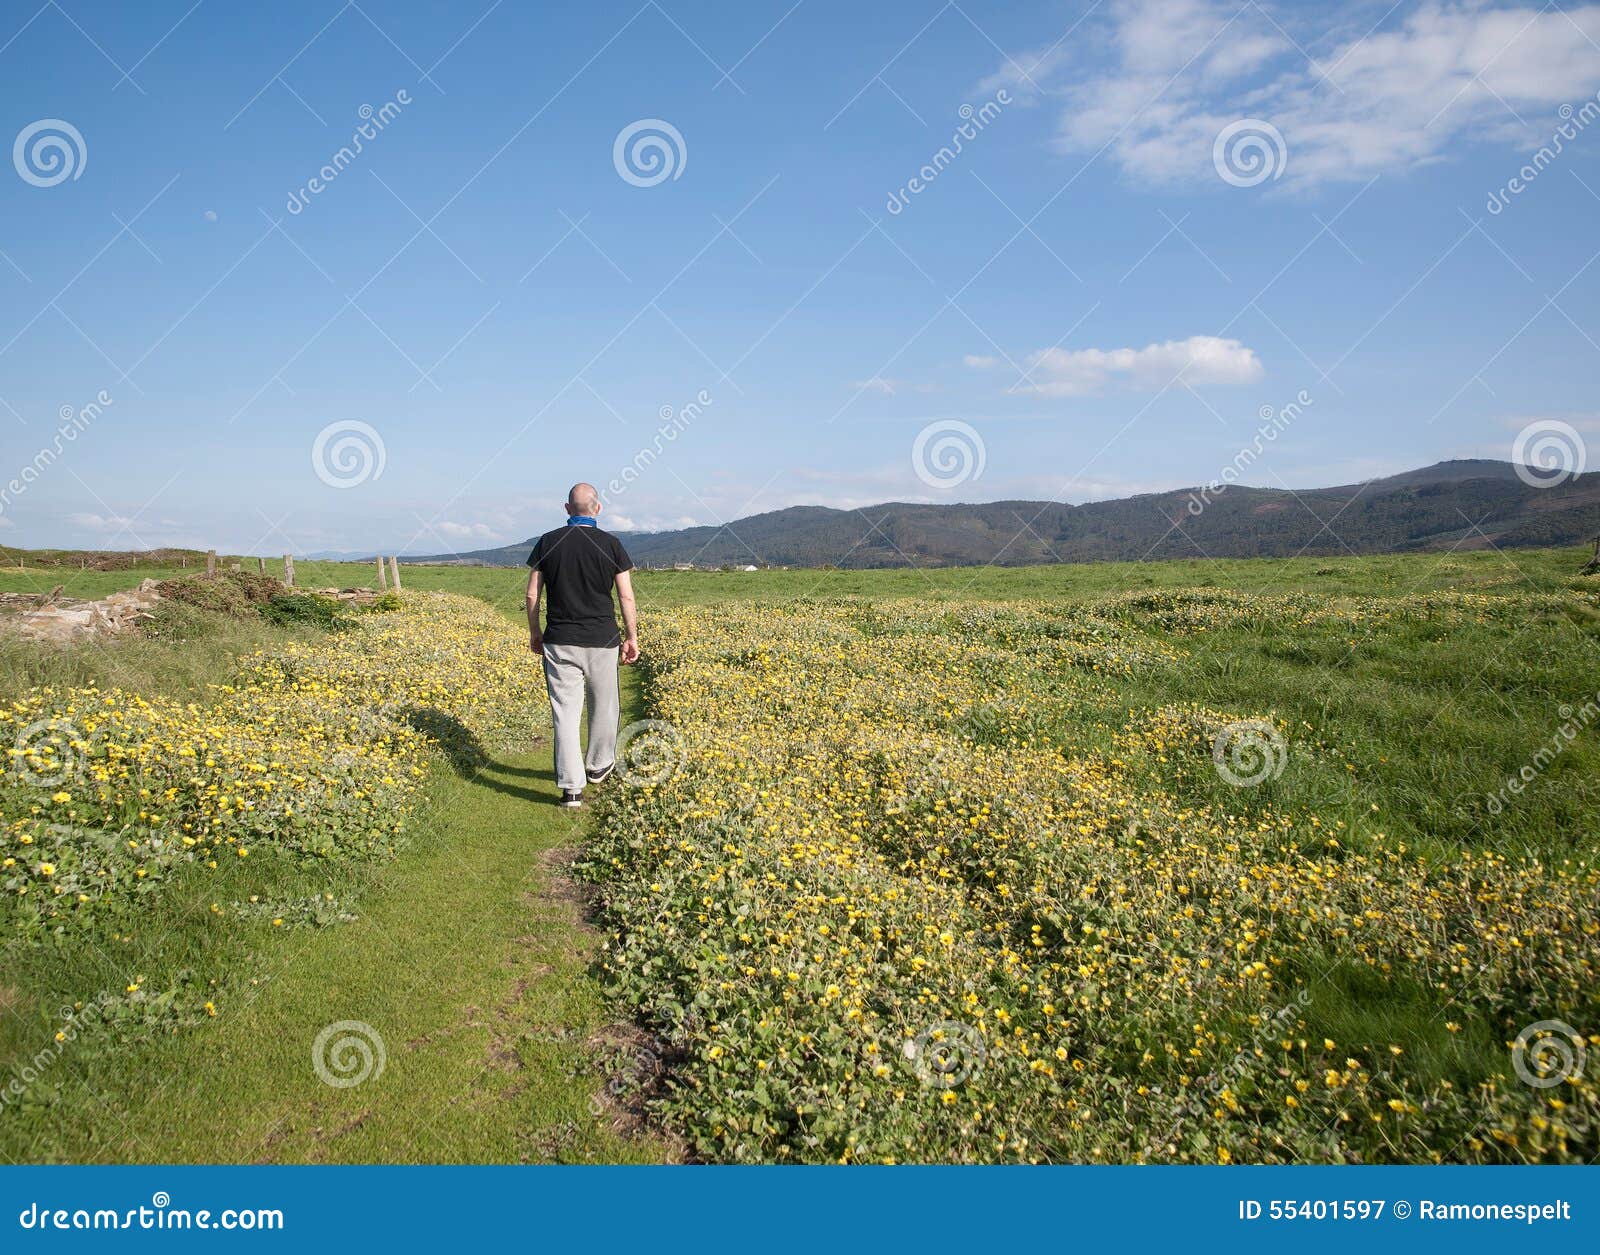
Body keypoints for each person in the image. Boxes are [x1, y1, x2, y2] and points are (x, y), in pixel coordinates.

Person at [525, 483, 639, 808]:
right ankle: (599, 766)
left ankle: (571, 790)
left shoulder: (547, 543)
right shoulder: (612, 545)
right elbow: (626, 596)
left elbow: (533, 594)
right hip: (603, 640)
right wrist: (631, 636)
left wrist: (535, 632)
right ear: (598, 509)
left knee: (565, 713)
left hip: (560, 640)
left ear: (566, 509)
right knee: (605, 706)